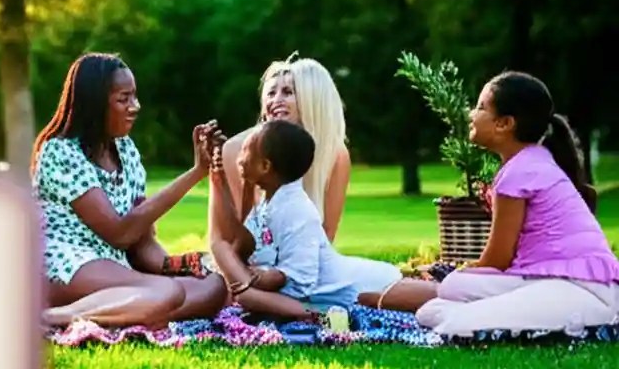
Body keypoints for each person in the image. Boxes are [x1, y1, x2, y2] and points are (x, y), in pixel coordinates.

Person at [361, 71, 619, 335]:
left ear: (504, 124)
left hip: (583, 291)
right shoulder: (530, 161)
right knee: (452, 289)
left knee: (450, 319)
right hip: (549, 281)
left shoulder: (520, 172)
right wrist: (455, 276)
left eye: (481, 107)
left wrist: (456, 272)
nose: (471, 114)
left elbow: (496, 260)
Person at [36, 52, 228, 328]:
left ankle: (126, 311)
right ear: (95, 104)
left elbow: (141, 243)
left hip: (117, 267)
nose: (135, 106)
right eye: (123, 99)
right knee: (168, 293)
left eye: (134, 97)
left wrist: (185, 264)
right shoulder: (60, 151)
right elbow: (119, 233)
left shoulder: (125, 149)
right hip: (67, 261)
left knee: (212, 287)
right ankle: (54, 317)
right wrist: (196, 173)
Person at [204, 119, 400, 319]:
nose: (238, 158)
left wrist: (266, 277)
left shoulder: (296, 211)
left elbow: (300, 277)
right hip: (337, 289)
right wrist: (218, 170)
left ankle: (315, 316)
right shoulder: (268, 201)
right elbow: (242, 241)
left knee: (420, 296)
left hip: (362, 284)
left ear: (265, 166)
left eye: (245, 151)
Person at [208, 55, 352, 244]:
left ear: (312, 99)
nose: (276, 100)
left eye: (287, 92)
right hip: (245, 262)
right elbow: (226, 236)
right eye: (271, 93)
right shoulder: (236, 150)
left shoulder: (335, 154)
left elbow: (327, 234)